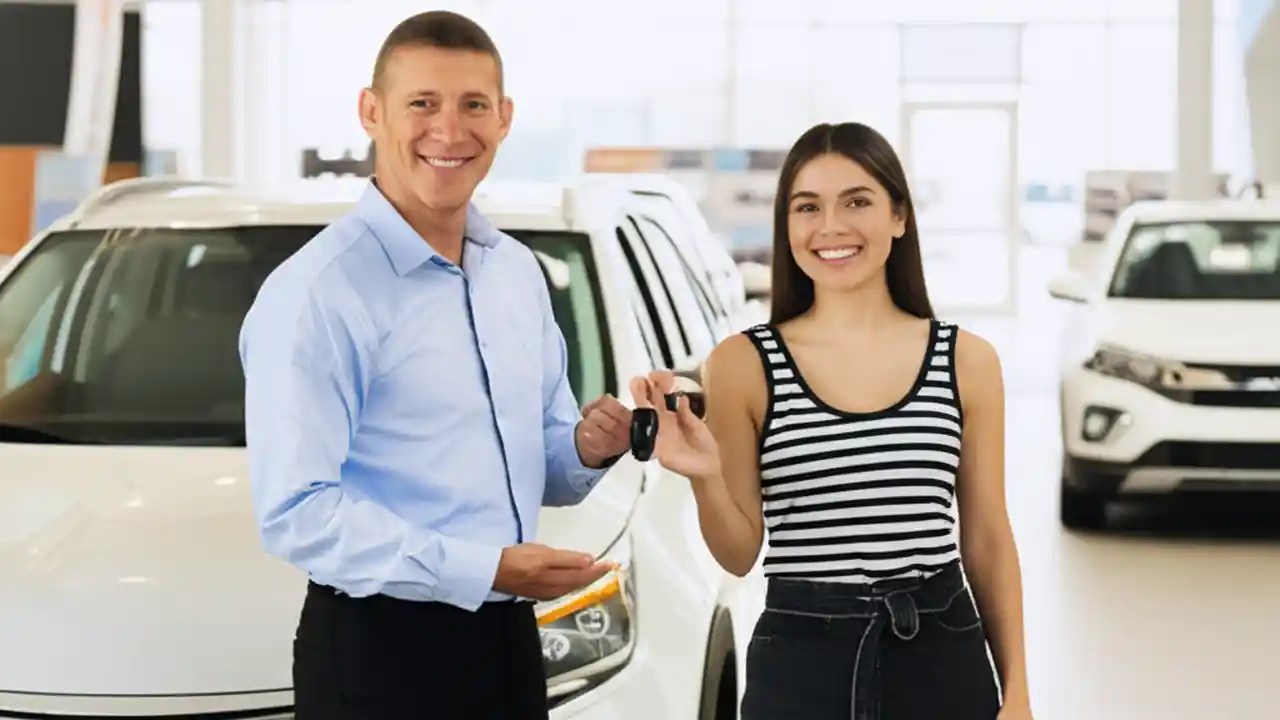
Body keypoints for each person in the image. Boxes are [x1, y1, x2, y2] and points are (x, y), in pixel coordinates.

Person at [238, 11, 632, 719]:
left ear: (504, 118)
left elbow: (539, 463)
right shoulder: (319, 292)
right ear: (372, 112)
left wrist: (586, 446)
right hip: (379, 652)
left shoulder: (515, 274)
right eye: (422, 103)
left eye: (473, 105)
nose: (449, 131)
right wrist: (487, 568)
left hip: (509, 640)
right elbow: (298, 512)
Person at [631, 122, 1034, 719]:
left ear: (899, 216)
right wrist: (704, 477)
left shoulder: (966, 361)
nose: (831, 226)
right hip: (801, 668)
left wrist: (1018, 691)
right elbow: (739, 553)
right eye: (808, 207)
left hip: (941, 656)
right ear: (787, 225)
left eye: (857, 202)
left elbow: (987, 537)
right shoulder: (743, 364)